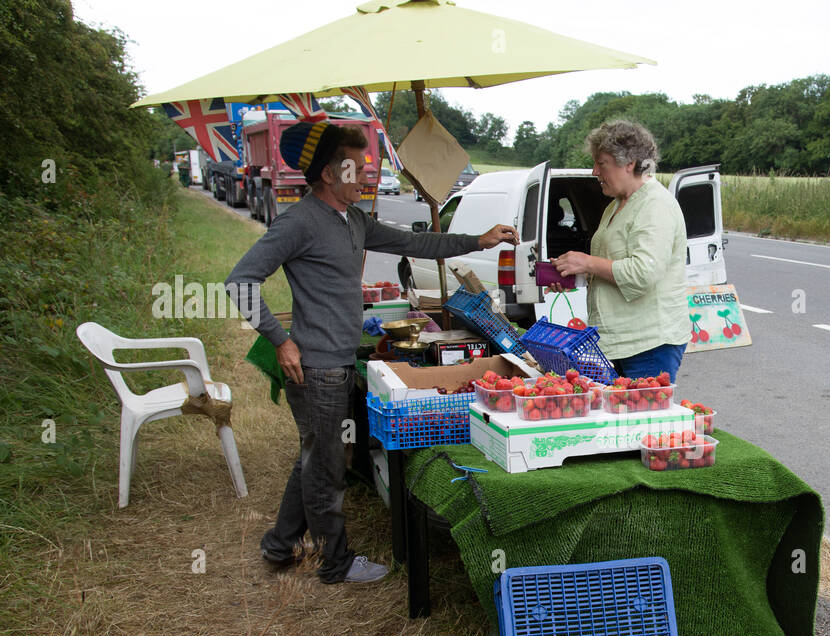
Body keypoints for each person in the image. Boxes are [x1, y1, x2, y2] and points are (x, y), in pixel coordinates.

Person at [227, 121, 517, 584]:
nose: (364, 174)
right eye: (353, 166)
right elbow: (239, 282)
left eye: (365, 165)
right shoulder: (298, 221)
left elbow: (414, 241)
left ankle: (279, 545)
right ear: (326, 173)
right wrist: (279, 340)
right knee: (326, 468)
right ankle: (335, 564)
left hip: (340, 361)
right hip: (316, 365)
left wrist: (477, 241)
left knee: (318, 457)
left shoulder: (354, 220)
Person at [549, 120, 688, 381]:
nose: (594, 172)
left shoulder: (655, 205)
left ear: (630, 163)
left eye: (601, 163)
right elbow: (611, 265)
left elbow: (642, 273)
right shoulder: (617, 205)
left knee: (642, 420)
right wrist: (573, 274)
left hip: (649, 343)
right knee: (622, 418)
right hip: (620, 341)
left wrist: (588, 263)